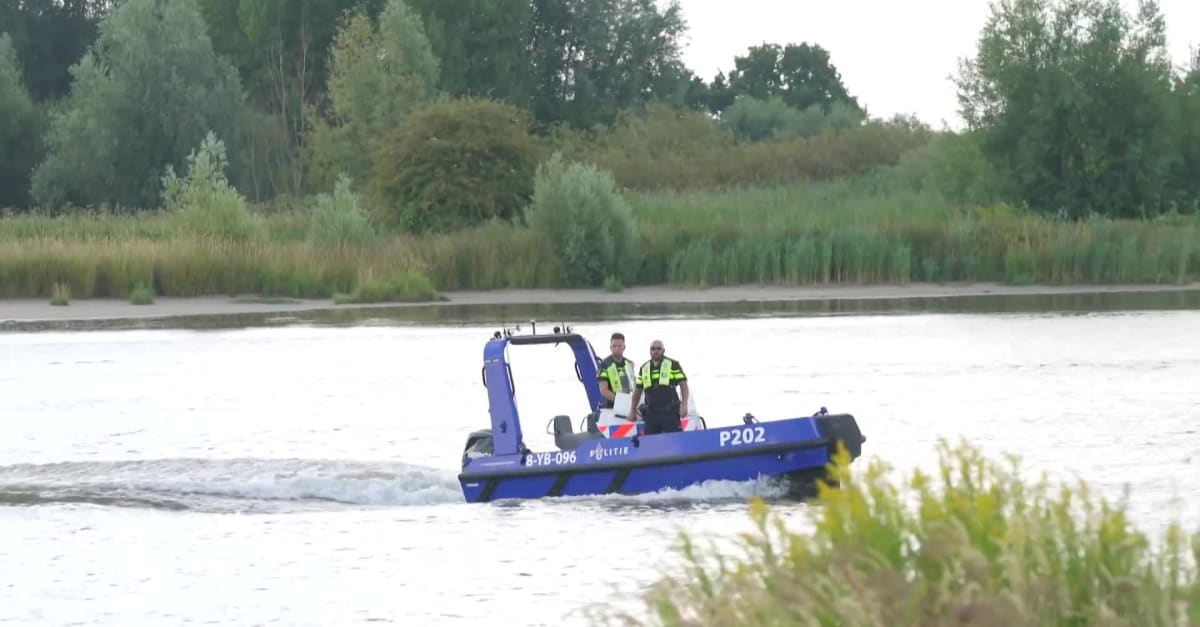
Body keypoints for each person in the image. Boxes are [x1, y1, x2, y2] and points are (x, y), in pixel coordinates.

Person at [627, 340, 689, 435]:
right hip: (652, 413)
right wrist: (632, 410)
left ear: (663, 350)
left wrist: (684, 405)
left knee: (674, 439)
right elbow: (637, 391)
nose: (655, 351)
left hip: (670, 412)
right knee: (650, 442)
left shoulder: (673, 364)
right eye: (653, 349)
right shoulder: (644, 368)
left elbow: (683, 385)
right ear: (649, 351)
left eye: (658, 349)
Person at [596, 332, 636, 410]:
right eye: (614, 346)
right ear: (610, 347)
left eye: (619, 346)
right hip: (610, 407)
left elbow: (633, 387)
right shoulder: (604, 365)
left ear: (624, 347)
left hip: (627, 406)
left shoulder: (629, 363)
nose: (617, 348)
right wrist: (620, 402)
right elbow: (603, 390)